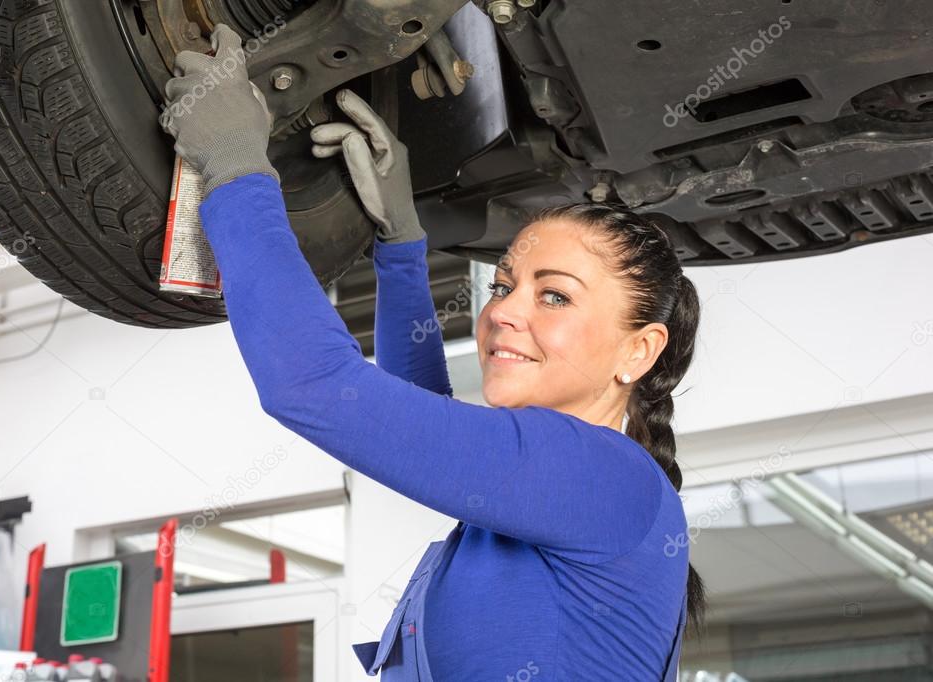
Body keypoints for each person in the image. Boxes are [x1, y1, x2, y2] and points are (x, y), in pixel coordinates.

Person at [159, 23, 704, 681]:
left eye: (553, 296)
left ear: (639, 350)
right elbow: (416, 413)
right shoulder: (558, 488)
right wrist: (400, 247)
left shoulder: (601, 476)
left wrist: (236, 163)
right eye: (502, 286)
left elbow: (312, 385)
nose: (501, 311)